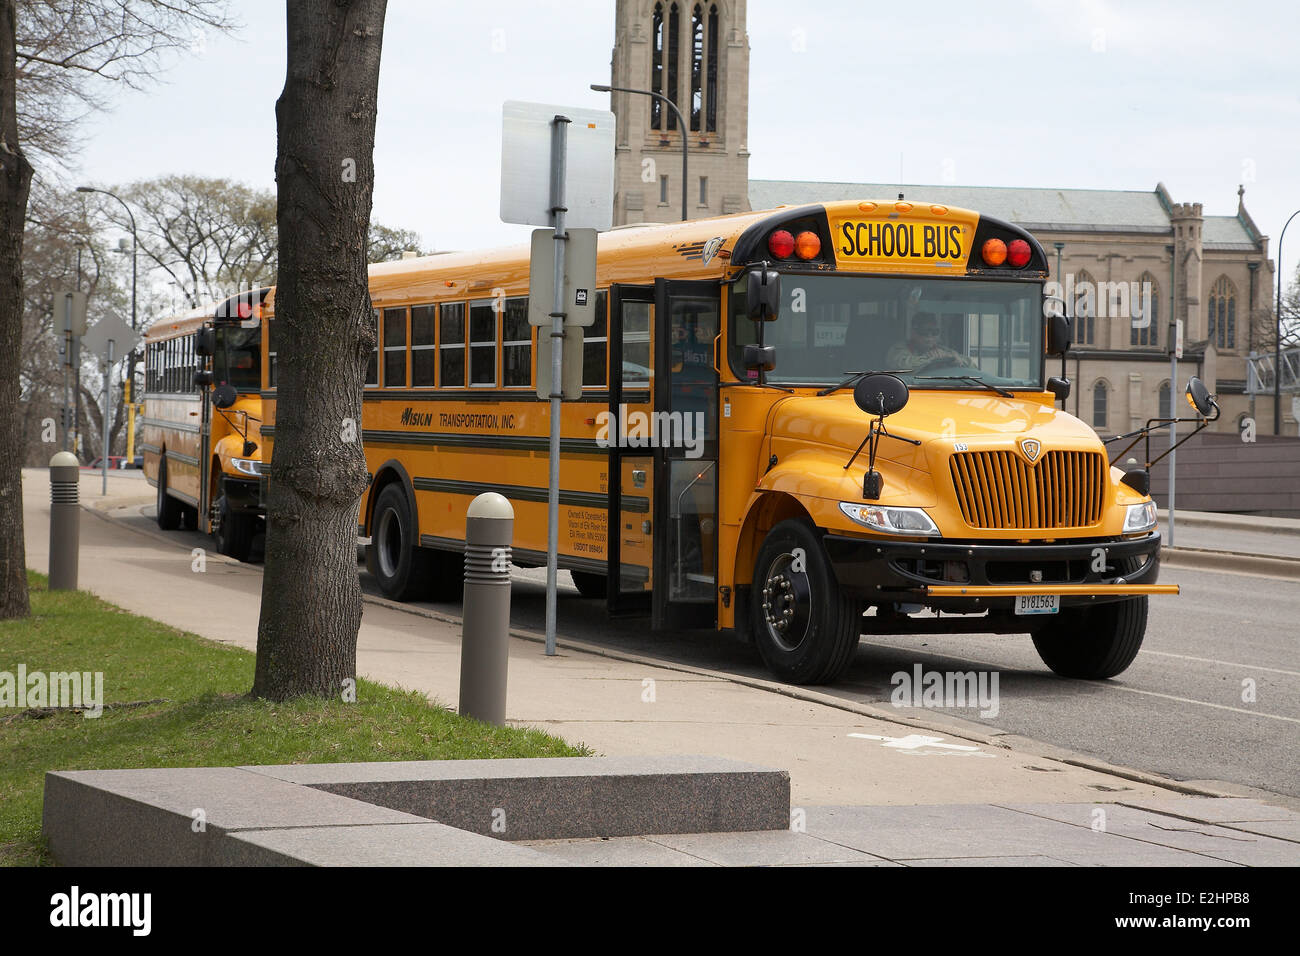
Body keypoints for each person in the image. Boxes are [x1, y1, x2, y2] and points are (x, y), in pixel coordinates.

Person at [885, 312, 972, 370]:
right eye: (924, 331)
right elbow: (903, 366)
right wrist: (931, 358)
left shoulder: (943, 351)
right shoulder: (898, 349)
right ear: (913, 332)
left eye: (934, 332)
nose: (929, 336)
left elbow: (972, 366)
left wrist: (954, 359)